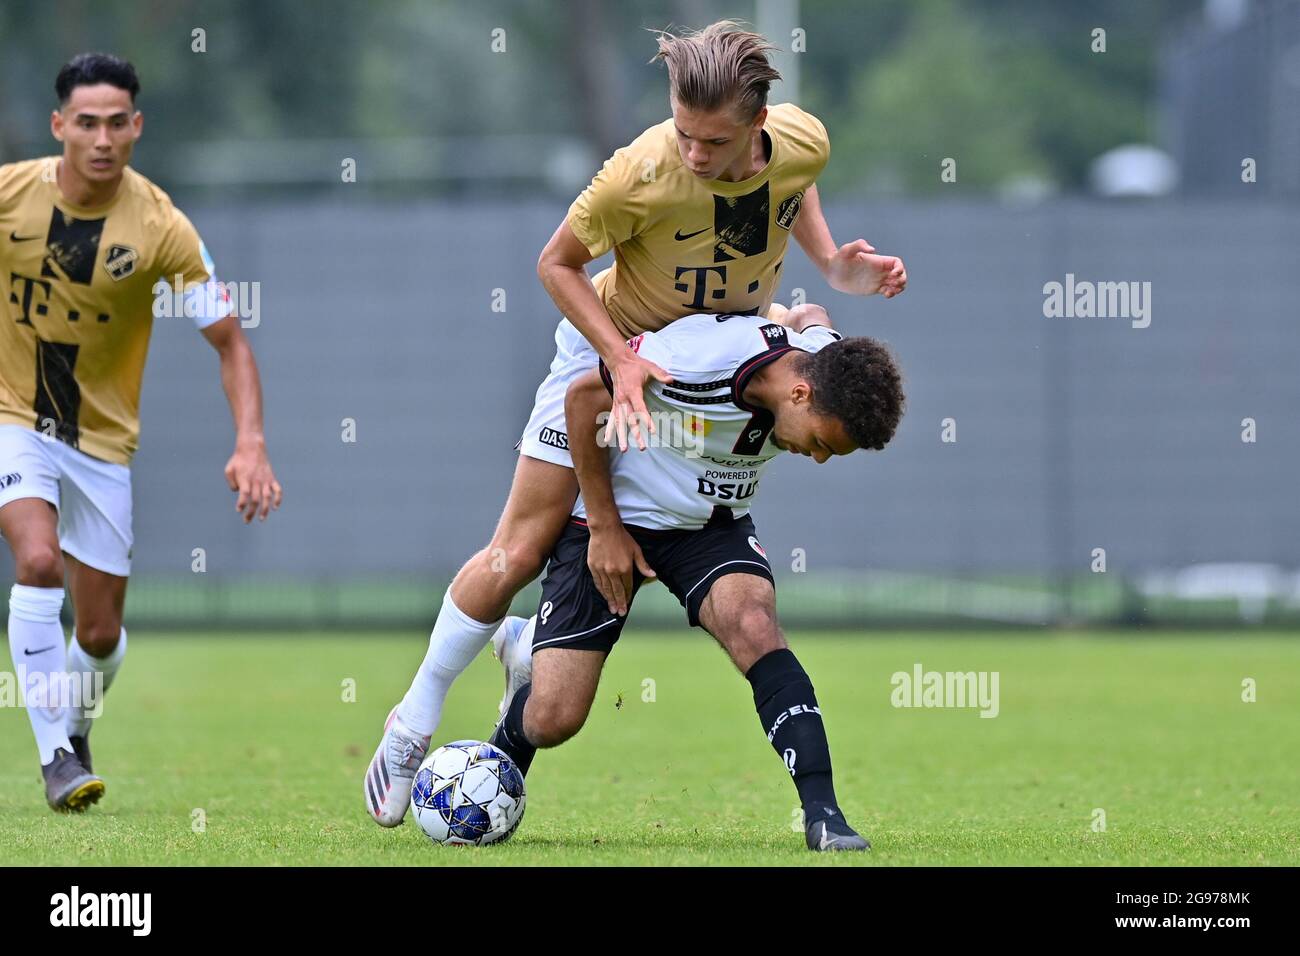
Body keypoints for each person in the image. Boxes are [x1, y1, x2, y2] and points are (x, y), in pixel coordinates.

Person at [367, 20, 906, 827]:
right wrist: (618, 358)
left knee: (583, 697)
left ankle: (540, 652)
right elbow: (555, 264)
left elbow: (795, 188)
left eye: (712, 140)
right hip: (610, 356)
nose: (692, 152)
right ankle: (412, 719)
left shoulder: (801, 141)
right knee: (517, 549)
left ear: (758, 124)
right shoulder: (640, 173)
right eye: (683, 131)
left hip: (700, 375)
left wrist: (831, 264)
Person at [476, 303, 905, 850]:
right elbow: (583, 400)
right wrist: (605, 528)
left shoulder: (823, 362)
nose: (817, 458)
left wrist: (792, 315)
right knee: (554, 720)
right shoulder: (692, 363)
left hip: (709, 527)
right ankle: (523, 677)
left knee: (754, 622)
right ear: (800, 394)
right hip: (614, 518)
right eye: (822, 442)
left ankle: (824, 814)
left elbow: (814, 314)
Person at [0, 53, 282, 812]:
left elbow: (231, 342)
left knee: (98, 634)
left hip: (100, 444)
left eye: (115, 123)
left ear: (136, 127)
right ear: (59, 125)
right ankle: (56, 755)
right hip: (12, 418)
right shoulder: (10, 195)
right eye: (84, 122)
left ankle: (78, 724)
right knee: (35, 559)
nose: (100, 137)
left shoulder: (162, 227)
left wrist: (249, 442)